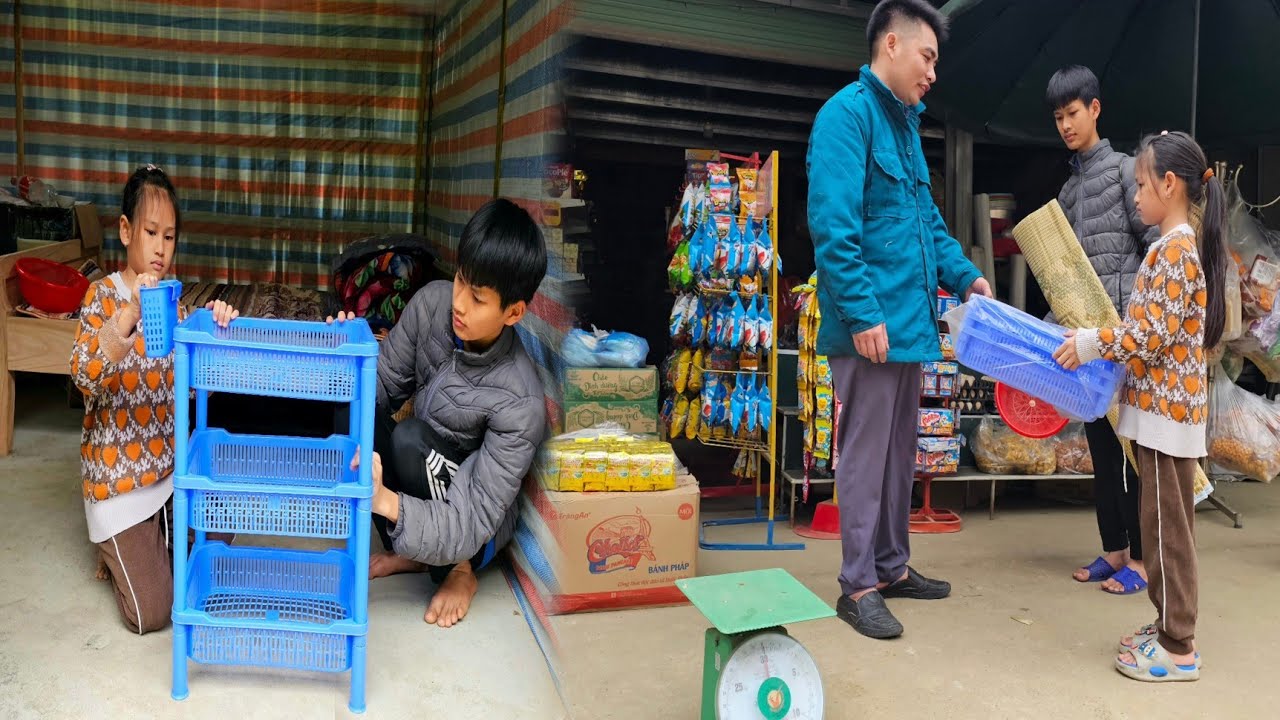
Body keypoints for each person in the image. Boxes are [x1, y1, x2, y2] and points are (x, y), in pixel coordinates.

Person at [807, 0, 992, 640]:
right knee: (863, 457)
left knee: (896, 456)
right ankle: (857, 586)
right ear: (892, 43)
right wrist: (860, 312)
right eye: (928, 56)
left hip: (909, 329)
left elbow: (927, 227)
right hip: (871, 329)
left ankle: (891, 566)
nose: (933, 72)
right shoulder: (845, 118)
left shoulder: (908, 130)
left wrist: (966, 275)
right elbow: (834, 229)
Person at [1055, 130, 1227, 682]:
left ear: (1169, 185)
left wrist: (1090, 344)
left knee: (1164, 534)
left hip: (1166, 420)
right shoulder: (1170, 249)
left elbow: (1147, 337)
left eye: (1141, 184)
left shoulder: (1175, 253)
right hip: (1162, 416)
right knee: (1159, 529)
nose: (1134, 195)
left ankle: (1179, 645)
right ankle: (1166, 623)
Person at [332, 198, 547, 628]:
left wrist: (385, 501)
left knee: (409, 441)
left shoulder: (521, 401)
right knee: (349, 409)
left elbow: (474, 515)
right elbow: (380, 387)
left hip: (474, 524)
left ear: (513, 312)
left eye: (478, 298)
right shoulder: (432, 304)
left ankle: (460, 570)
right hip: (422, 478)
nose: (460, 304)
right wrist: (346, 360)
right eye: (461, 281)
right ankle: (412, 552)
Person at [70, 166, 239, 634]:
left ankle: (149, 544)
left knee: (221, 526)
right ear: (126, 232)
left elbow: (188, 388)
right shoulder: (101, 297)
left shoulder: (175, 302)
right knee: (153, 613)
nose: (161, 247)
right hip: (119, 480)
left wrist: (215, 328)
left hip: (167, 470)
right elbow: (83, 374)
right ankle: (123, 546)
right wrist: (129, 316)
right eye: (150, 232)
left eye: (170, 236)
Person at [1046, 65, 1160, 596]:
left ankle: (1141, 559)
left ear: (1095, 109)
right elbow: (1065, 270)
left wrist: (1132, 317)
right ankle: (1114, 548)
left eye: (1073, 113)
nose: (1066, 125)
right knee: (1101, 450)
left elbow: (1152, 250)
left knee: (1135, 454)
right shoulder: (1068, 193)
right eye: (1058, 117)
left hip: (1128, 344)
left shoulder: (1123, 172)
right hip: (1088, 346)